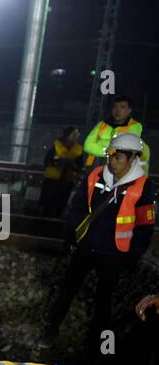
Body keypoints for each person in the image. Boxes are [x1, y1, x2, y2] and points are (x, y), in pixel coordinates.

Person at [42, 131, 154, 350]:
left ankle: (96, 345)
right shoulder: (95, 176)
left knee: (104, 301)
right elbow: (76, 208)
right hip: (85, 248)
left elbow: (144, 227)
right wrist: (71, 238)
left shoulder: (143, 186)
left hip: (113, 254)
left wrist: (132, 257)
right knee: (66, 291)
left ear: (132, 159)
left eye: (118, 157)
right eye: (110, 155)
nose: (112, 161)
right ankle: (51, 331)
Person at [83, 95, 146, 171]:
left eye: (122, 107)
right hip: (94, 166)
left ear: (129, 110)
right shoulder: (102, 124)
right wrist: (106, 151)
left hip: (117, 168)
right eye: (114, 107)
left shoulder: (135, 126)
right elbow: (87, 145)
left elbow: (124, 147)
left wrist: (100, 142)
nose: (117, 110)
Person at [41, 126, 83, 218]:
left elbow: (80, 166)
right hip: (52, 180)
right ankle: (43, 224)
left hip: (67, 181)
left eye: (77, 134)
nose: (76, 136)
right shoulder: (56, 146)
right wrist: (58, 161)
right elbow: (47, 161)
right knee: (48, 205)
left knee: (60, 205)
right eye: (74, 134)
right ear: (67, 135)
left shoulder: (78, 150)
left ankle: (55, 224)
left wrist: (71, 163)